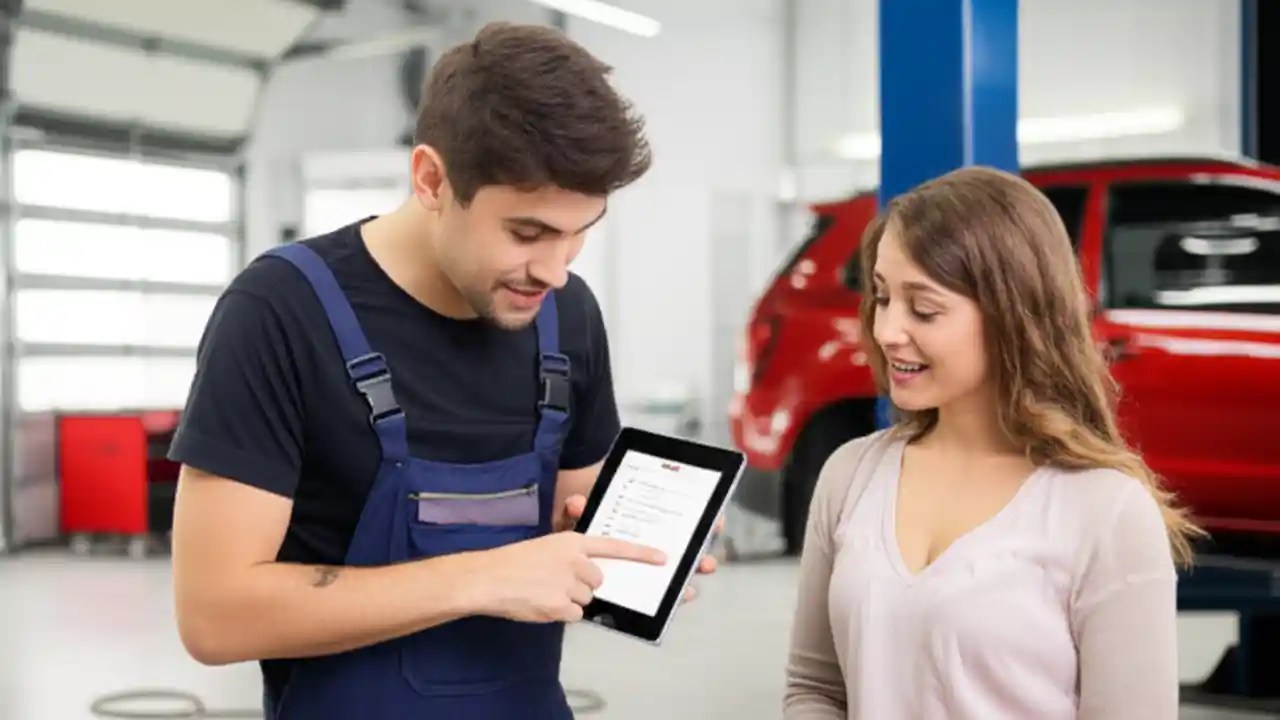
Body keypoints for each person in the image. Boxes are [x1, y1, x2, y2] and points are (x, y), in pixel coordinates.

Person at [168, 22, 718, 720]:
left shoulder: (566, 315)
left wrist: (637, 548)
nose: (556, 268)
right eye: (527, 233)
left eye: (581, 231)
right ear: (431, 179)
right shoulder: (280, 312)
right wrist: (484, 578)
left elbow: (570, 524)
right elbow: (215, 617)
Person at [783, 166, 1202, 719]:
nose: (886, 331)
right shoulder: (851, 475)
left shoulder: (1105, 511)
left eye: (924, 308)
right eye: (882, 298)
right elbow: (815, 689)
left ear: (1011, 316)